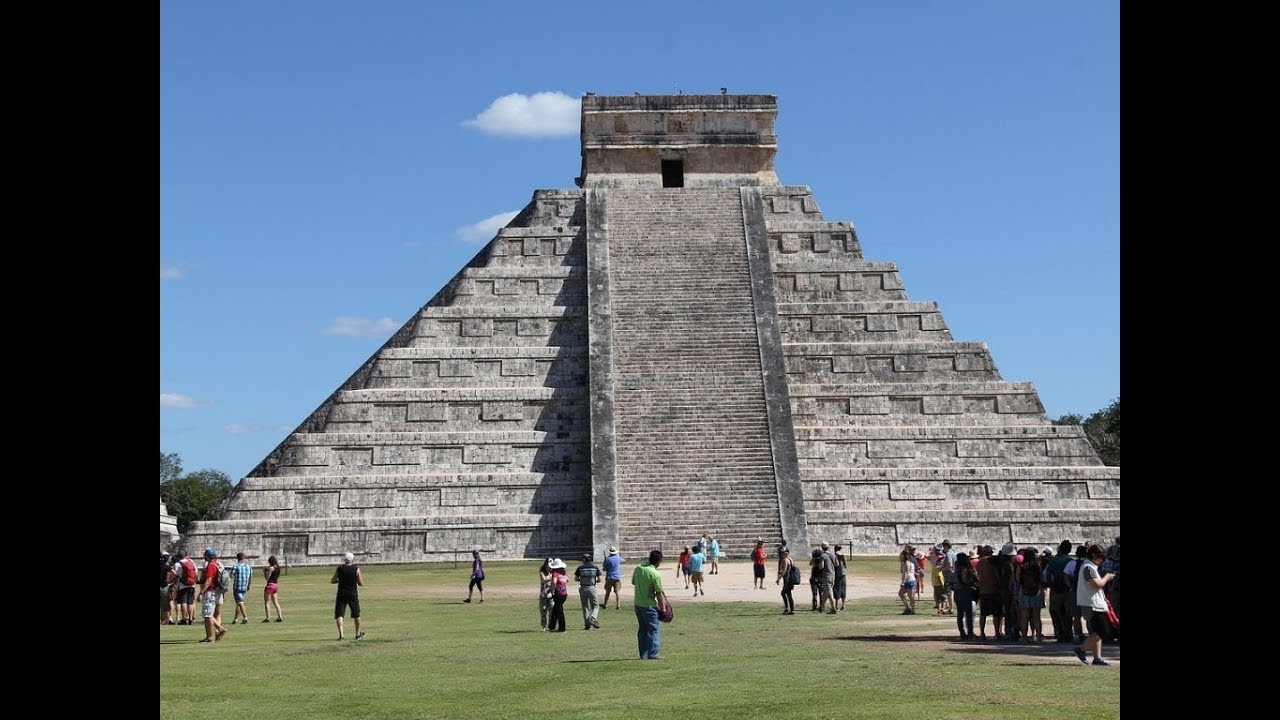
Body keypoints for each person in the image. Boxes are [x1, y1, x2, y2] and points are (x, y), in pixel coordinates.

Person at [1073, 544, 1116, 666]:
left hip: (1090, 603)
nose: (1102, 561)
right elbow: (1097, 584)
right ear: (1094, 556)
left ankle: (1097, 658)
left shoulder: (1090, 566)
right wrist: (1107, 577)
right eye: (1101, 558)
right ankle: (1081, 650)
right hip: (1092, 604)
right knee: (1103, 632)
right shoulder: (1088, 567)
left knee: (1096, 632)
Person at [631, 549, 667, 659]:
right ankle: (653, 653)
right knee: (653, 630)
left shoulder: (638, 568)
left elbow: (633, 582)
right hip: (649, 605)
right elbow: (659, 593)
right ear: (659, 562)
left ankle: (643, 654)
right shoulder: (655, 574)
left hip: (638, 604)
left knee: (642, 629)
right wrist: (663, 608)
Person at [331, 552, 364, 641]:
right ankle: (357, 634)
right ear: (352, 559)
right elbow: (361, 583)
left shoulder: (340, 568)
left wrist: (340, 580)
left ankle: (341, 635)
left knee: (339, 613)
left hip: (341, 593)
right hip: (352, 593)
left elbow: (333, 580)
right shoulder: (356, 569)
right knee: (356, 613)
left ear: (344, 559)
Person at [199, 547, 228, 643]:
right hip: (218, 592)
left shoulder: (211, 566)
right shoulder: (218, 564)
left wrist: (201, 592)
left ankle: (213, 634)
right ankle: (211, 634)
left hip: (210, 592)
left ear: (207, 556)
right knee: (213, 614)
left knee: (207, 615)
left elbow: (208, 580)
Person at [953, 552, 979, 639]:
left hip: (957, 592)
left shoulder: (956, 569)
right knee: (968, 614)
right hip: (964, 592)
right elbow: (965, 581)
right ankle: (970, 632)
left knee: (960, 614)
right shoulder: (964, 569)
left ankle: (962, 632)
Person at [573, 553, 602, 630]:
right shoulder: (595, 568)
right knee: (596, 606)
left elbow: (576, 579)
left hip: (583, 588)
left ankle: (587, 624)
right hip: (592, 587)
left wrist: (582, 579)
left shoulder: (580, 568)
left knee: (585, 606)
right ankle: (593, 617)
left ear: (583, 559)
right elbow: (599, 580)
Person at [174, 550, 198, 626]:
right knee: (190, 602)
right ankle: (190, 618)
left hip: (182, 585)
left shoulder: (178, 564)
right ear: (185, 555)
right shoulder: (191, 562)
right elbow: (196, 572)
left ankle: (184, 619)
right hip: (191, 584)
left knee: (183, 602)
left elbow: (176, 574)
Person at [230, 552, 253, 624]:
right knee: (238, 603)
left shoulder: (236, 566)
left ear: (237, 558)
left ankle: (245, 617)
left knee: (240, 602)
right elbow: (250, 577)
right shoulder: (248, 566)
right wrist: (249, 585)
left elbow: (231, 575)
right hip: (245, 587)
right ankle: (235, 619)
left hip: (237, 587)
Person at [548, 558, 568, 632]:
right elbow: (566, 580)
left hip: (558, 593)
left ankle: (562, 628)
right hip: (564, 593)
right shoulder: (563, 572)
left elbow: (554, 582)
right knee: (555, 610)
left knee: (559, 611)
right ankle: (552, 626)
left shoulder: (555, 573)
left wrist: (552, 590)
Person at [262, 555, 284, 622]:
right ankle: (280, 616)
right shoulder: (278, 568)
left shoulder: (271, 568)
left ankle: (268, 618)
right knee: (276, 602)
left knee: (267, 602)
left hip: (269, 586)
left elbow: (267, 578)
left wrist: (264, 572)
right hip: (275, 585)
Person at [775, 546, 797, 614]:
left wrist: (778, 579)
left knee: (784, 593)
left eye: (783, 553)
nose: (781, 554)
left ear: (786, 553)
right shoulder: (790, 559)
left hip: (787, 579)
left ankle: (788, 609)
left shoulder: (785, 560)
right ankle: (790, 609)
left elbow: (784, 571)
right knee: (788, 593)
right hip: (790, 578)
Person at [898, 546, 917, 615]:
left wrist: (903, 582)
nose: (900, 556)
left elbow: (907, 572)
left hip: (910, 580)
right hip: (907, 581)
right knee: (901, 594)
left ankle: (912, 610)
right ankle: (907, 607)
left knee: (910, 596)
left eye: (901, 555)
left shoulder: (907, 562)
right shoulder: (903, 563)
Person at [538, 558, 554, 631]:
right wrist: (552, 577)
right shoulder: (542, 572)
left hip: (551, 594)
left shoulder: (553, 572)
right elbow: (544, 580)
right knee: (543, 610)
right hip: (544, 594)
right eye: (548, 565)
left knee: (552, 610)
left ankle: (550, 626)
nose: (550, 567)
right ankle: (544, 626)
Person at [160, 550, 175, 625]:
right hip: (164, 586)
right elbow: (174, 573)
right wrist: (171, 581)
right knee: (166, 604)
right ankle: (167, 619)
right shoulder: (166, 565)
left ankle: (162, 620)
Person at [832, 544, 848, 611]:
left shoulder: (834, 555)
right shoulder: (843, 555)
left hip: (836, 574)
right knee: (843, 589)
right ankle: (843, 606)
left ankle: (836, 606)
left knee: (837, 589)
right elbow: (845, 565)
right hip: (843, 574)